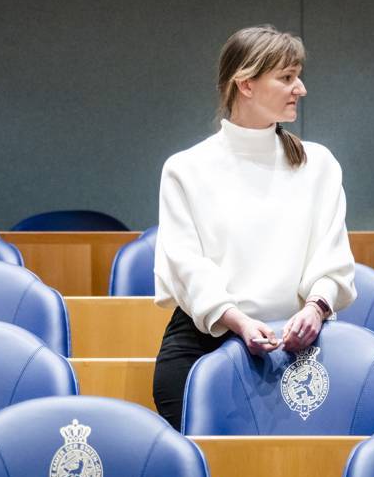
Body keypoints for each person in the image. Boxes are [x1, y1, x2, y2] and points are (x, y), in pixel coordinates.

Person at [151, 25, 357, 431]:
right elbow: (186, 265)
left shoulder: (319, 164)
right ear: (245, 84)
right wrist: (239, 323)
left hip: (300, 343)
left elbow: (331, 256)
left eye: (297, 75)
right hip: (205, 340)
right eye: (286, 78)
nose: (300, 88)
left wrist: (316, 308)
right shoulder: (185, 169)